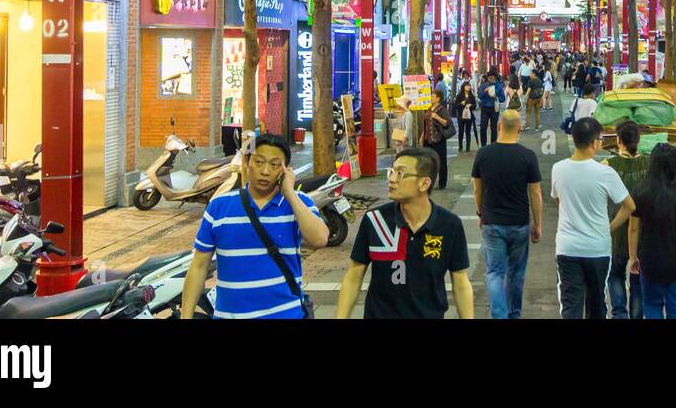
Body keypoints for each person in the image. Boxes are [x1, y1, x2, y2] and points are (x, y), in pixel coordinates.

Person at [182, 133, 328, 319]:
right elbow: (199, 266)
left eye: (275, 164)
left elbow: (319, 239)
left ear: (285, 170)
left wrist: (290, 194)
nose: (266, 171)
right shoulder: (219, 206)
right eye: (259, 162)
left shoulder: (299, 203)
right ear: (247, 163)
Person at [336, 148, 473, 319]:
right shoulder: (375, 220)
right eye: (391, 172)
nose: (392, 179)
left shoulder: (449, 225)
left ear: (424, 183)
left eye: (401, 174)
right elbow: (354, 276)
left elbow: (460, 282)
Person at [550, 117, 635, 319]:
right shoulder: (605, 173)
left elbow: (558, 200)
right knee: (597, 306)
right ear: (594, 142)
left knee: (571, 305)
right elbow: (629, 206)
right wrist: (609, 228)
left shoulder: (558, 168)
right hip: (597, 248)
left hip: (567, 248)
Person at [471, 110, 543, 319]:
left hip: (492, 222)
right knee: (516, 274)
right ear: (519, 129)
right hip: (519, 223)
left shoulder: (483, 154)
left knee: (494, 273)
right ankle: (514, 314)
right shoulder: (527, 156)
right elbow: (535, 193)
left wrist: (480, 213)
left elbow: (477, 189)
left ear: (498, 127)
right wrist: (537, 224)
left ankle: (499, 315)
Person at [628, 143, 676, 320]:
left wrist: (632, 257)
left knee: (652, 306)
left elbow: (633, 228)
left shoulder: (641, 191)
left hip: (651, 260)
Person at [604, 120, 649, 319]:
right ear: (638, 140)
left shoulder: (607, 165)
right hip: (641, 234)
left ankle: (619, 314)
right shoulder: (649, 165)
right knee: (638, 279)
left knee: (615, 275)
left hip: (615, 231)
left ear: (618, 140)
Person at [423, 87, 451, 189]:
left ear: (438, 98)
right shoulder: (428, 108)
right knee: (428, 162)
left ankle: (442, 183)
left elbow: (447, 123)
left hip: (439, 140)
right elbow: (425, 124)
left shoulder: (442, 110)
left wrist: (437, 117)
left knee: (441, 162)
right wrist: (422, 136)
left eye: (433, 96)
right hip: (428, 140)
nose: (431, 97)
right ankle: (429, 183)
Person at [478, 69, 503, 146]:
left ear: (495, 77)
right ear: (487, 78)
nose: (491, 80)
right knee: (483, 127)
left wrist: (496, 97)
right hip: (485, 108)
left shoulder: (498, 86)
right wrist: (485, 91)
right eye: (489, 78)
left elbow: (503, 98)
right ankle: (483, 145)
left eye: (492, 78)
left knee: (494, 128)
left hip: (494, 108)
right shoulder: (483, 85)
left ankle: (493, 144)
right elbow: (479, 96)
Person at [452, 81, 478, 153]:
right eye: (467, 86)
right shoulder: (459, 95)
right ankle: (460, 146)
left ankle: (467, 147)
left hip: (469, 116)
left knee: (468, 131)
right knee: (461, 131)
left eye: (469, 86)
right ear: (463, 87)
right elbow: (455, 105)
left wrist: (471, 105)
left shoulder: (472, 96)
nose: (468, 87)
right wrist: (461, 103)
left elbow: (475, 106)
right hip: (461, 116)